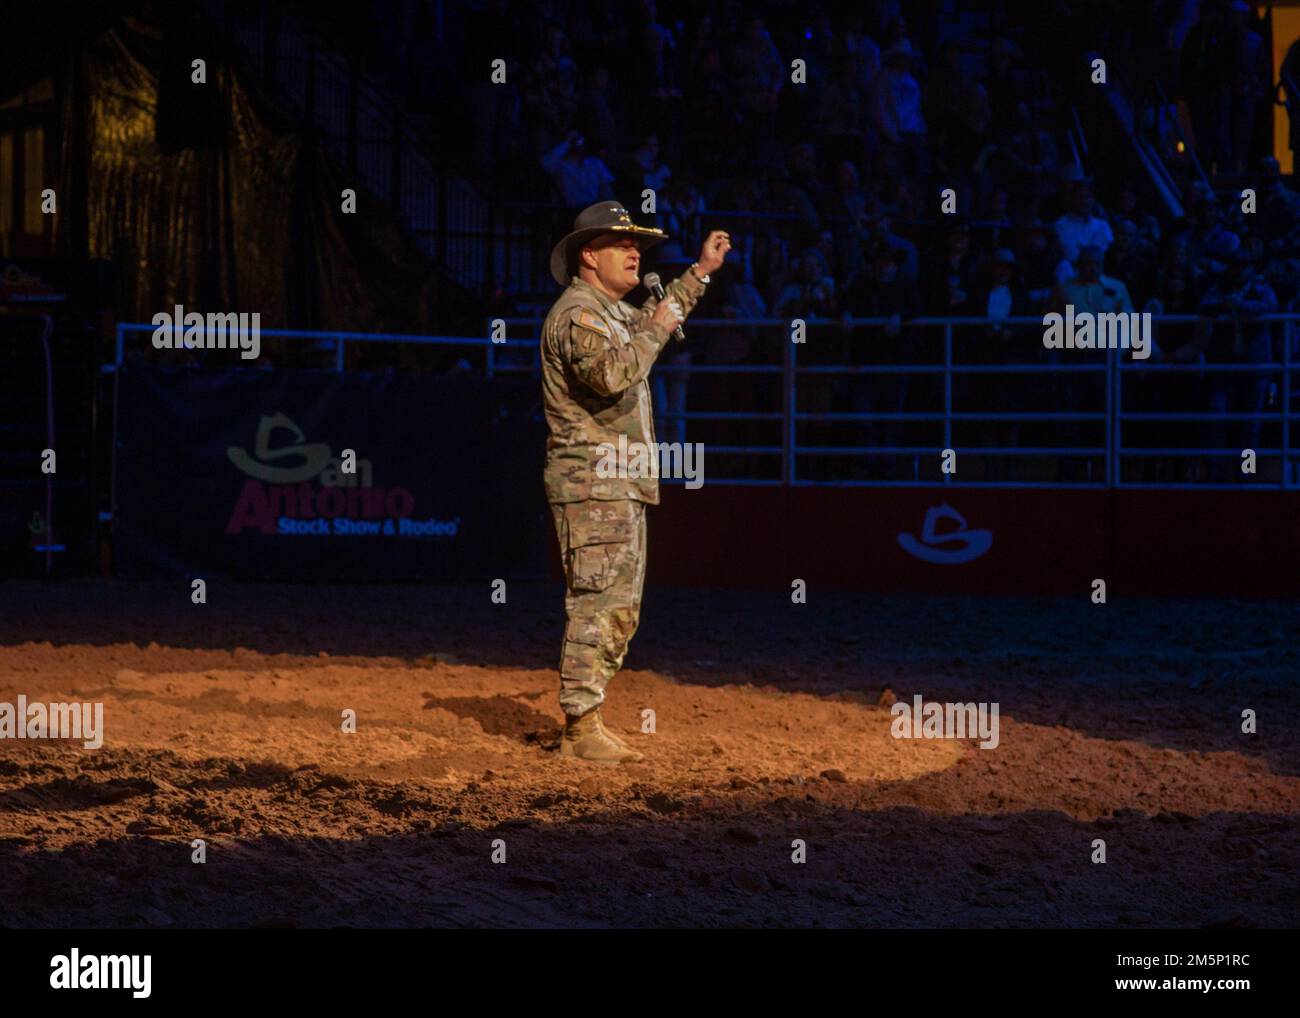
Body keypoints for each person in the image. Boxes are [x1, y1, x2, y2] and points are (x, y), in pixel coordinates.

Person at [540, 201, 730, 763]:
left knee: (618, 606)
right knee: (597, 601)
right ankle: (579, 728)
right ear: (588, 256)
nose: (635, 253)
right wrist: (658, 326)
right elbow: (613, 373)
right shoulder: (579, 314)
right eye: (622, 245)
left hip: (616, 480)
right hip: (593, 482)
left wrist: (697, 275)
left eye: (638, 247)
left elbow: (651, 321)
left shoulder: (610, 312)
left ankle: (587, 718)